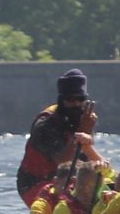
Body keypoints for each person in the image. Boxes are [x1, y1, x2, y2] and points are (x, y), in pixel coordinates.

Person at [16, 69, 102, 204]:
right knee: (70, 203)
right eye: (70, 99)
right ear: (61, 100)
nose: (76, 104)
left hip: (71, 178)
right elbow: (64, 161)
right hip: (35, 182)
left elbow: (86, 156)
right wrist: (82, 131)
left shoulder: (85, 118)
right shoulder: (45, 124)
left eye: (80, 99)